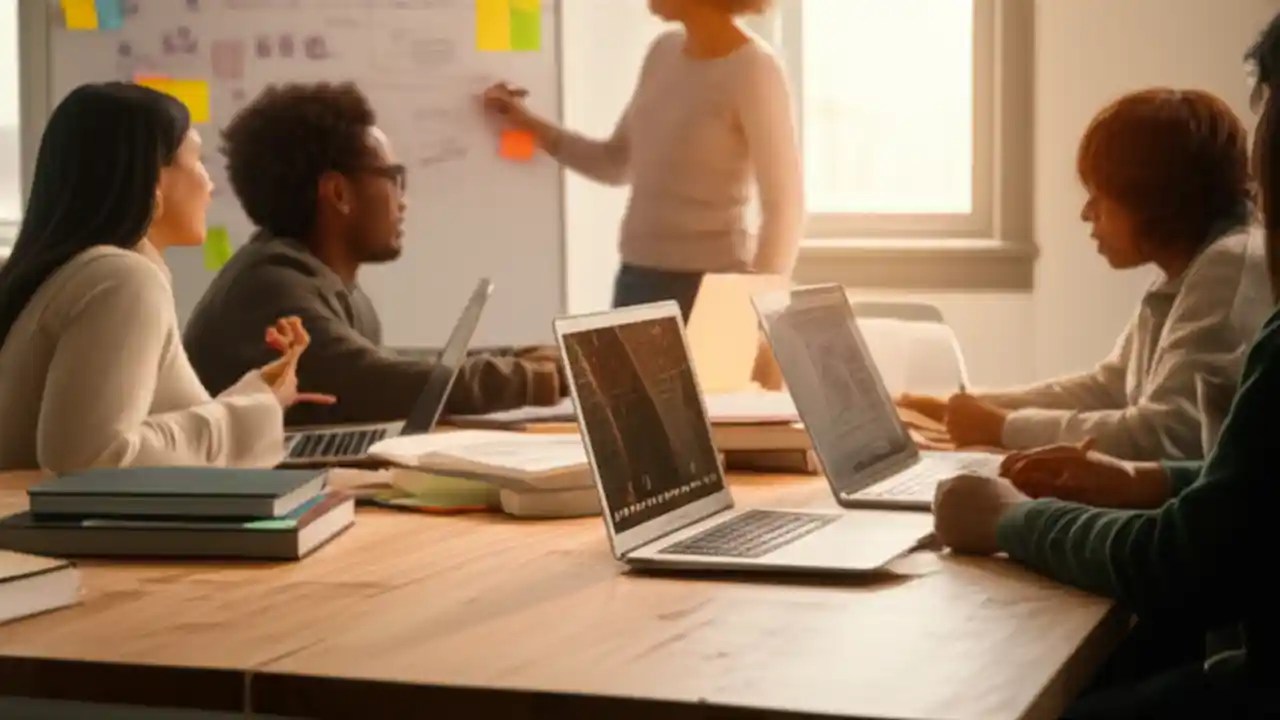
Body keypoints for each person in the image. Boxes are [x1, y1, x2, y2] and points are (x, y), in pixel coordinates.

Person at [929, 19, 1280, 717]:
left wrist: (1013, 519)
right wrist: (1138, 480)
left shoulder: (1231, 269)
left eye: (1265, 107)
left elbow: (1186, 554)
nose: (1086, 213)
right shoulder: (1186, 277)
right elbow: (1250, 488)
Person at [901, 88, 1270, 462]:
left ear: (1151, 196)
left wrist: (1003, 427)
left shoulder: (1230, 266)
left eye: (1100, 195)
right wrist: (966, 406)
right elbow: (1109, 388)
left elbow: (1168, 435)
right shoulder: (1187, 269)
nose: (1086, 213)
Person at [183, 82, 566, 428]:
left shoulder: (314, 277)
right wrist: (537, 379)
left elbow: (386, 364)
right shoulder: (272, 288)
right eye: (392, 177)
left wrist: (520, 356)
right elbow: (376, 382)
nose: (404, 200)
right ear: (338, 193)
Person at [0, 83, 329, 474]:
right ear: (152, 178)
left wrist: (260, 395)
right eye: (197, 159)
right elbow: (90, 456)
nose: (209, 185)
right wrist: (258, 412)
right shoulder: (122, 279)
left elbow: (131, 431)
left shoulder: (73, 273)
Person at [482, 0, 803, 321]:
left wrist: (759, 315)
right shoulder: (662, 52)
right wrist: (525, 122)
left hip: (713, 289)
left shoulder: (754, 70)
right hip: (637, 281)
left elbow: (785, 208)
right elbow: (614, 162)